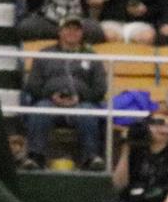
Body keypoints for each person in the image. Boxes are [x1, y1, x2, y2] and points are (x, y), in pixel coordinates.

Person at [22, 17, 109, 168]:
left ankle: (91, 157)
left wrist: (79, 98)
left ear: (82, 33)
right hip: (49, 101)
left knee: (87, 112)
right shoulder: (44, 54)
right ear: (60, 31)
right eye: (68, 28)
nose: (72, 32)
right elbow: (33, 85)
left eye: (76, 29)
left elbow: (100, 88)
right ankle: (35, 157)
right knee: (40, 109)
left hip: (81, 103)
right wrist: (51, 96)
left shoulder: (92, 56)